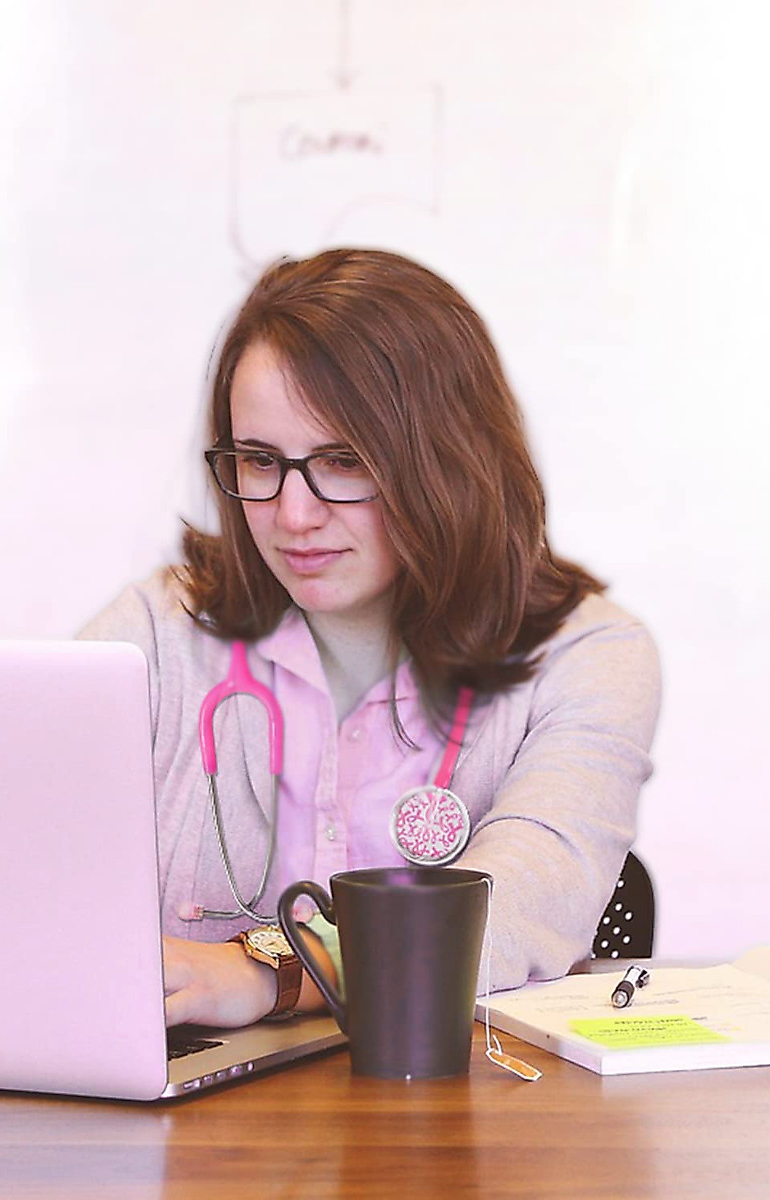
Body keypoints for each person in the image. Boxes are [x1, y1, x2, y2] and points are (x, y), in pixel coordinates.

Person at [79, 248, 660, 1029]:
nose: (292, 515)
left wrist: (270, 972)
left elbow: (520, 898)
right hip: (191, 1135)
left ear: (447, 460)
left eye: (343, 461)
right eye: (259, 460)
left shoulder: (589, 659)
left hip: (465, 1122)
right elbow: (5, 853)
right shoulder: (154, 633)